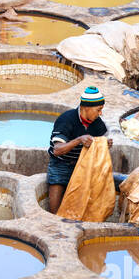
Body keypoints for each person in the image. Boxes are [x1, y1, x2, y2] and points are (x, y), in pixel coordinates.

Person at [47, 85, 108, 213]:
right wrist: (79, 140)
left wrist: (105, 144)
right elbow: (57, 150)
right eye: (98, 110)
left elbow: (100, 147)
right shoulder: (66, 120)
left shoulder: (97, 123)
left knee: (87, 205)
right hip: (61, 166)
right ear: (86, 108)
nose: (100, 113)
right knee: (54, 212)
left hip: (83, 167)